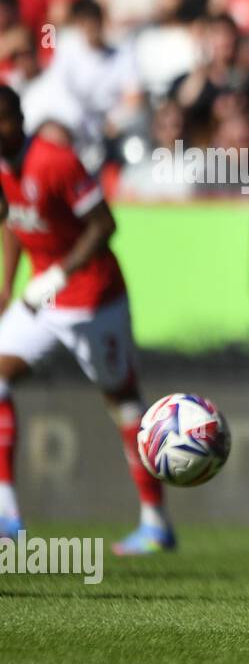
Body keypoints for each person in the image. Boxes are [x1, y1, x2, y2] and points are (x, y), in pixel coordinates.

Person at [0, 86, 168, 553]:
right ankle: (7, 514)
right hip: (42, 301)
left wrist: (59, 273)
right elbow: (12, 221)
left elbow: (104, 224)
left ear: (18, 120)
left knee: (125, 406)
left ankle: (156, 523)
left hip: (95, 299)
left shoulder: (54, 161)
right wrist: (7, 285)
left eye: (4, 120)